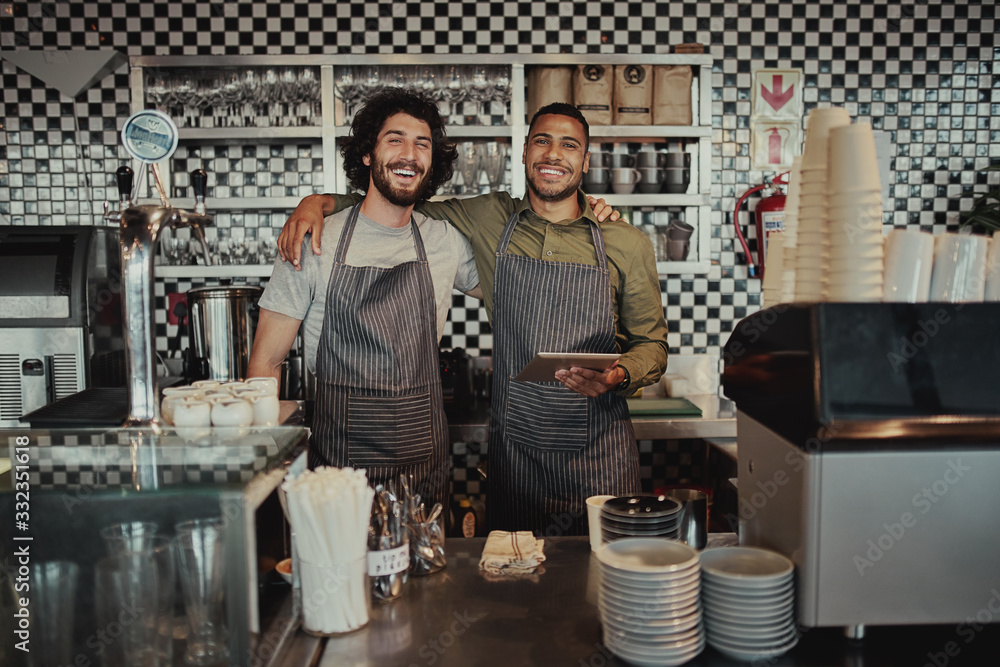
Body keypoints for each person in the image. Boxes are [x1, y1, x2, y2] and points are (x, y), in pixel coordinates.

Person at [278, 102, 669, 535]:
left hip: (598, 455)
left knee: (602, 585)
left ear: (585, 160)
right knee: (516, 582)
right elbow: (393, 199)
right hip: (515, 460)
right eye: (542, 141)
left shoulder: (626, 242)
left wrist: (618, 375)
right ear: (523, 153)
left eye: (569, 145)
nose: (554, 155)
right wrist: (316, 202)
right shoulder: (488, 217)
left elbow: (652, 345)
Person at [247, 88, 481, 507]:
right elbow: (266, 362)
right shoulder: (314, 239)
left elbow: (514, 293)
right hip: (339, 471)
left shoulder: (445, 241)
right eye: (395, 139)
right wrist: (260, 463)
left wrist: (579, 211)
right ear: (368, 155)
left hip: (423, 467)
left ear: (432, 163)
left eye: (422, 143)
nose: (409, 154)